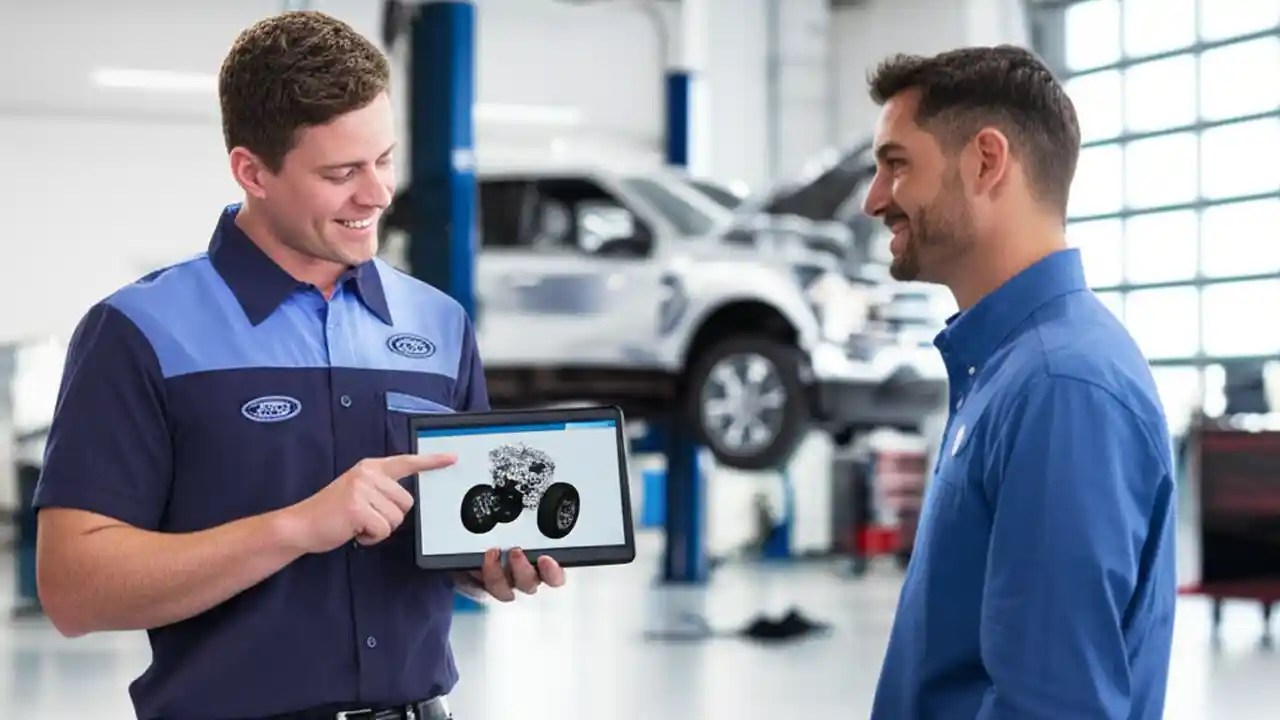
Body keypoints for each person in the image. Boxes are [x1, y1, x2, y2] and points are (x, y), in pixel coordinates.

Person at [33, 11, 563, 720]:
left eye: (384, 160)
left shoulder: (439, 325)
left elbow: (451, 536)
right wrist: (295, 527)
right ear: (252, 171)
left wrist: (486, 565)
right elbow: (74, 591)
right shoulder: (139, 332)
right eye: (341, 172)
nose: (376, 195)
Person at [861, 46, 1177, 719]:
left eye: (896, 165)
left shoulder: (1062, 389)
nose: (874, 200)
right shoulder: (1008, 372)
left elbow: (1053, 707)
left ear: (986, 161)